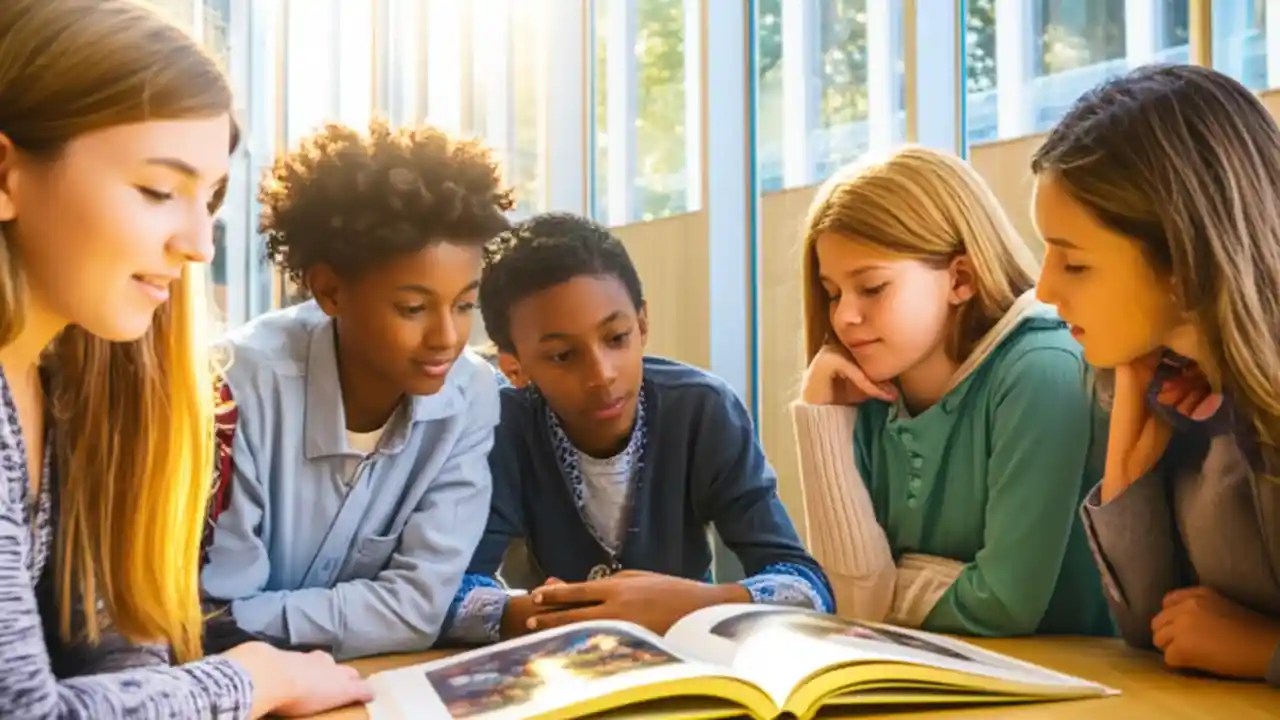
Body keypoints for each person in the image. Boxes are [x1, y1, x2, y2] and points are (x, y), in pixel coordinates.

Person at [0, 0, 370, 716]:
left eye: (211, 202)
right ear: (8, 175)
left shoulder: (69, 383)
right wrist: (259, 679)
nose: (198, 245)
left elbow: (114, 656)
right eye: (159, 191)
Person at [441, 213, 834, 644]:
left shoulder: (703, 410)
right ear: (515, 367)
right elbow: (444, 597)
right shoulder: (500, 426)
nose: (602, 374)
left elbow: (807, 587)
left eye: (616, 338)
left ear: (642, 325)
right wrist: (557, 615)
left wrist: (689, 603)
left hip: (691, 657)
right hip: (560, 670)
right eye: (562, 356)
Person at [200, 121, 510, 660]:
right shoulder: (235, 389)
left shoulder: (472, 396)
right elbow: (218, 617)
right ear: (329, 290)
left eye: (465, 304)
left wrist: (266, 619)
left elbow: (419, 607)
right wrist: (376, 614)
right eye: (413, 308)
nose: (447, 338)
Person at [792, 146, 1113, 637]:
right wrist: (822, 422)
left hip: (1087, 688)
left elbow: (1004, 605)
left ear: (960, 278)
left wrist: (889, 585)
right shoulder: (864, 388)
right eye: (833, 293)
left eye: (872, 288)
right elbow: (850, 603)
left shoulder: (1042, 368)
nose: (844, 317)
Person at [1032, 64, 1280, 685]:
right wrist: (1126, 473)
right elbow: (1159, 634)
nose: (1043, 288)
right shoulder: (1176, 397)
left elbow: (1219, 639)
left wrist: (1264, 650)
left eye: (1076, 263)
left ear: (1183, 258)